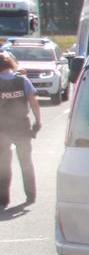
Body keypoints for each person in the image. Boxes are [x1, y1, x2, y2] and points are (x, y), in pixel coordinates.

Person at [0, 51, 41, 208]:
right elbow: (34, 103)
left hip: (3, 129)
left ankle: (3, 199)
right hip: (22, 127)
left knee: (3, 164)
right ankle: (31, 195)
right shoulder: (23, 81)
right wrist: (38, 121)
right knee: (26, 162)